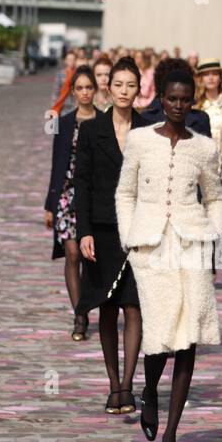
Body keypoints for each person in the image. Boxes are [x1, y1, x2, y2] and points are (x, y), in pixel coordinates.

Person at [116, 68, 222, 442]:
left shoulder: (203, 147)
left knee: (188, 336)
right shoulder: (141, 140)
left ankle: (171, 437)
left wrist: (212, 231)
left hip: (191, 245)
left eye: (186, 99)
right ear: (161, 98)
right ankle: (148, 390)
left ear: (192, 100)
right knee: (159, 331)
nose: (180, 106)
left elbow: (215, 196)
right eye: (173, 99)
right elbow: (125, 191)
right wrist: (130, 234)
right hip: (150, 246)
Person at [75, 57, 147, 415]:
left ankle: (129, 386)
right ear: (109, 87)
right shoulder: (91, 130)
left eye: (130, 85)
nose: (123, 91)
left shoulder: (150, 129)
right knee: (107, 307)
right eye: (117, 84)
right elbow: (82, 184)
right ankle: (113, 383)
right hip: (102, 231)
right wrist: (83, 230)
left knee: (133, 306)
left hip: (137, 231)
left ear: (138, 89)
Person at [45, 65, 99, 341]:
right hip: (66, 197)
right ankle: (80, 315)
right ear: (73, 92)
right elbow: (56, 164)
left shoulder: (105, 121)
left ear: (96, 90)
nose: (84, 93)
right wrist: (49, 204)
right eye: (79, 88)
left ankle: (87, 303)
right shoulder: (64, 123)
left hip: (94, 197)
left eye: (89, 87)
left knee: (89, 257)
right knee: (73, 254)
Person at [195, 58, 222, 145]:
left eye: (215, 73)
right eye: (206, 74)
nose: (211, 78)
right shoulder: (195, 106)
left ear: (220, 78)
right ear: (201, 79)